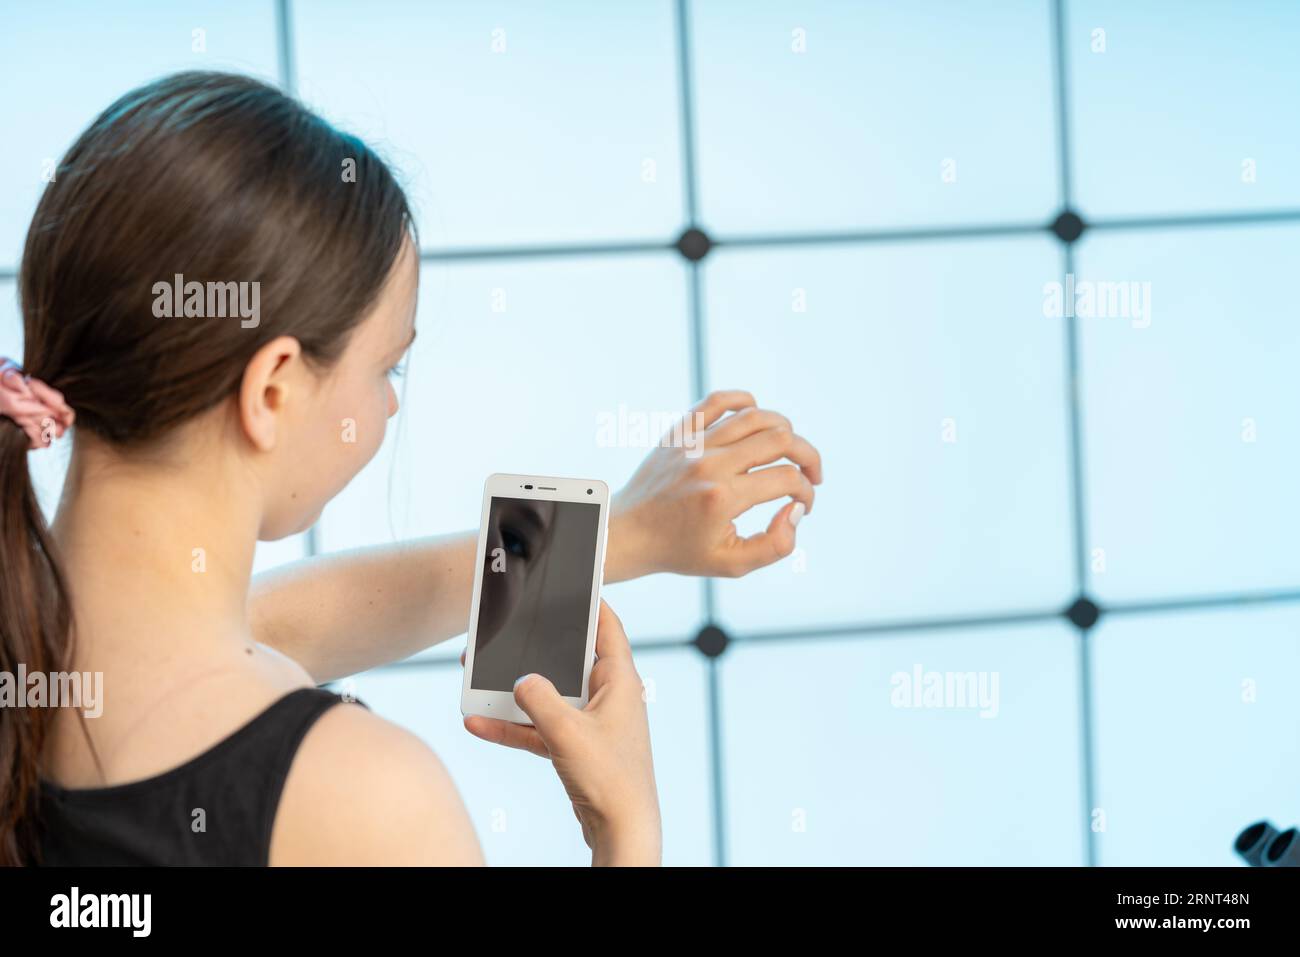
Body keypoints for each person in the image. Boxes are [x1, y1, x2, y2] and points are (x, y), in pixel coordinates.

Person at [0, 71, 822, 866]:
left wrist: (620, 538)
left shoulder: (33, 663)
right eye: (387, 369)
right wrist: (627, 829)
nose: (389, 407)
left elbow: (278, 625)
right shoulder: (366, 800)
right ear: (274, 390)